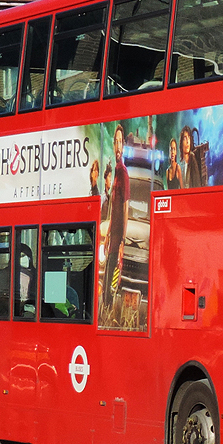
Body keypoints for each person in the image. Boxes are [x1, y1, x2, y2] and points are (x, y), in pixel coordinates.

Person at [100, 124, 130, 318]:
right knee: (108, 272)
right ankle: (105, 312)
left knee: (112, 278)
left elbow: (125, 208)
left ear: (124, 146)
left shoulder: (124, 172)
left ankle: (108, 314)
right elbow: (112, 211)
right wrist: (107, 236)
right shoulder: (116, 171)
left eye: (121, 142)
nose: (118, 146)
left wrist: (122, 241)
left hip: (119, 236)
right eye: (116, 142)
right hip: (113, 236)